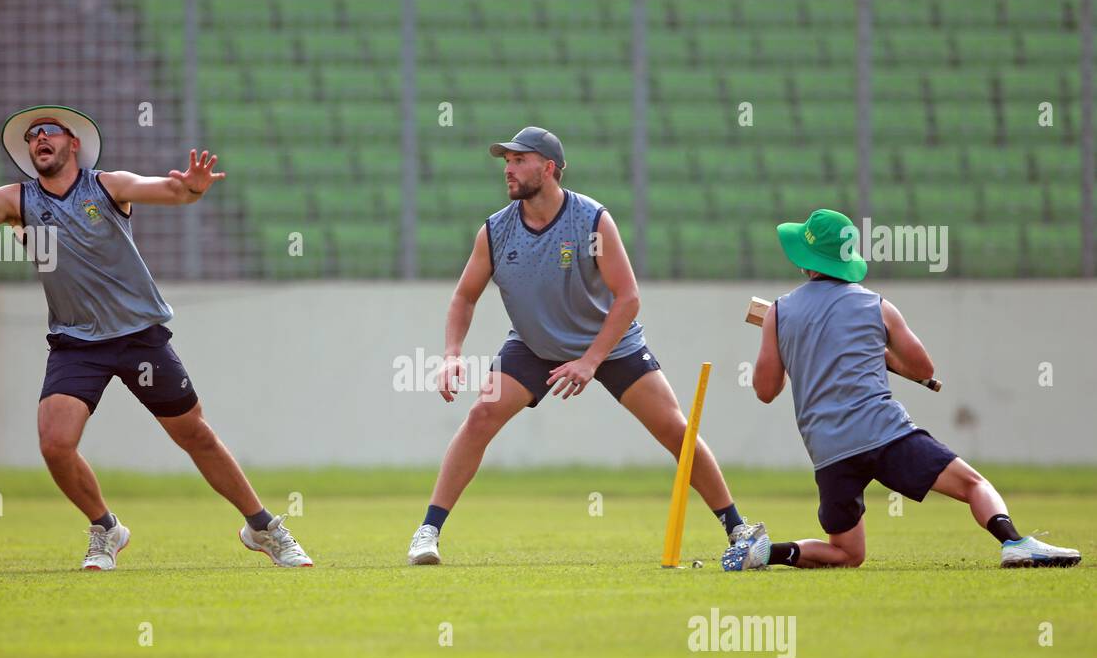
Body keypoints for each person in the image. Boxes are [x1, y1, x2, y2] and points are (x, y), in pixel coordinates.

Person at [0, 105, 312, 570]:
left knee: (195, 435)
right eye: (31, 136)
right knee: (55, 444)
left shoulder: (106, 186)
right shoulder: (19, 201)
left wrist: (192, 189)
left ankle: (262, 528)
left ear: (72, 143)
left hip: (140, 336)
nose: (38, 140)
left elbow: (164, 189)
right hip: (78, 343)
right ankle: (106, 529)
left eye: (48, 131)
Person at [406, 126, 763, 565]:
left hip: (608, 344)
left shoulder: (592, 220)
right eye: (506, 161)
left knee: (676, 430)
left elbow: (628, 297)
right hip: (534, 345)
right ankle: (428, 532)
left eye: (519, 160)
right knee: (481, 415)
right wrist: (451, 355)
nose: (509, 169)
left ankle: (737, 528)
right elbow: (464, 296)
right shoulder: (495, 232)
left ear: (548, 167)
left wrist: (591, 360)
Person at [723, 208, 1081, 571]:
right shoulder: (875, 305)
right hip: (884, 434)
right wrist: (882, 355)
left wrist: (786, 350)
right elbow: (924, 369)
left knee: (848, 554)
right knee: (973, 485)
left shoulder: (779, 312)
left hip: (829, 450)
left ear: (807, 259)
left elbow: (766, 390)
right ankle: (1014, 542)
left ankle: (767, 552)